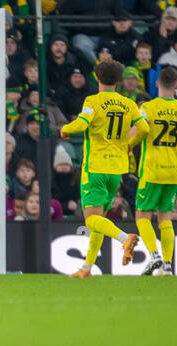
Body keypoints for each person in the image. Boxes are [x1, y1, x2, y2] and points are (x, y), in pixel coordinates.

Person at [59, 59, 147, 278]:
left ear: (96, 78)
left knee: (91, 219)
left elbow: (80, 124)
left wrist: (64, 129)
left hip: (96, 166)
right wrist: (129, 144)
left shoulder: (93, 100)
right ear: (118, 80)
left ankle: (124, 238)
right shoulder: (128, 103)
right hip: (117, 170)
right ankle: (86, 268)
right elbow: (144, 128)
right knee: (99, 220)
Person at [133, 67, 177, 276]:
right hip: (173, 171)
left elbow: (136, 132)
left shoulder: (147, 108)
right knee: (165, 218)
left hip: (151, 169)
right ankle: (168, 266)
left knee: (142, 217)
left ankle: (154, 256)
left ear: (156, 83)